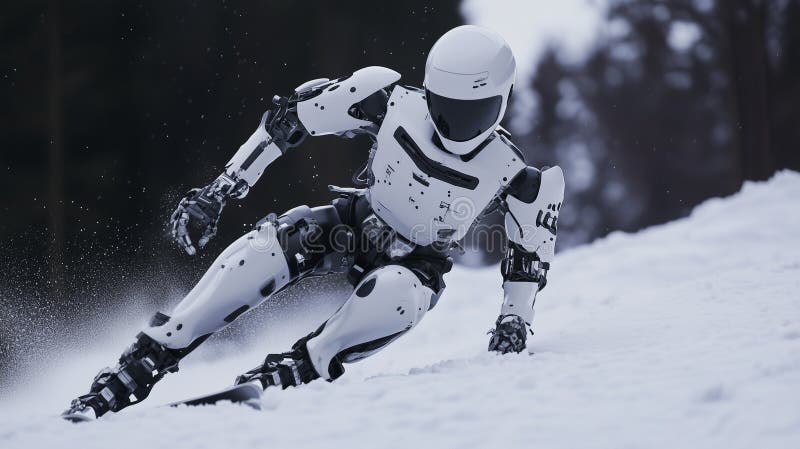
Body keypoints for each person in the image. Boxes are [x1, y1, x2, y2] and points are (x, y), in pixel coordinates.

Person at [63, 25, 565, 420]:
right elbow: (291, 119)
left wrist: (514, 321)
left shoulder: (515, 175)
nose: (457, 128)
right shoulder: (389, 99)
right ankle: (150, 355)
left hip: (417, 262)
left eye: (472, 112)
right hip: (357, 219)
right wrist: (218, 193)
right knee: (269, 246)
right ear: (429, 91)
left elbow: (528, 256)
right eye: (446, 109)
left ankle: (306, 363)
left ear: (502, 100)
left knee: (394, 292)